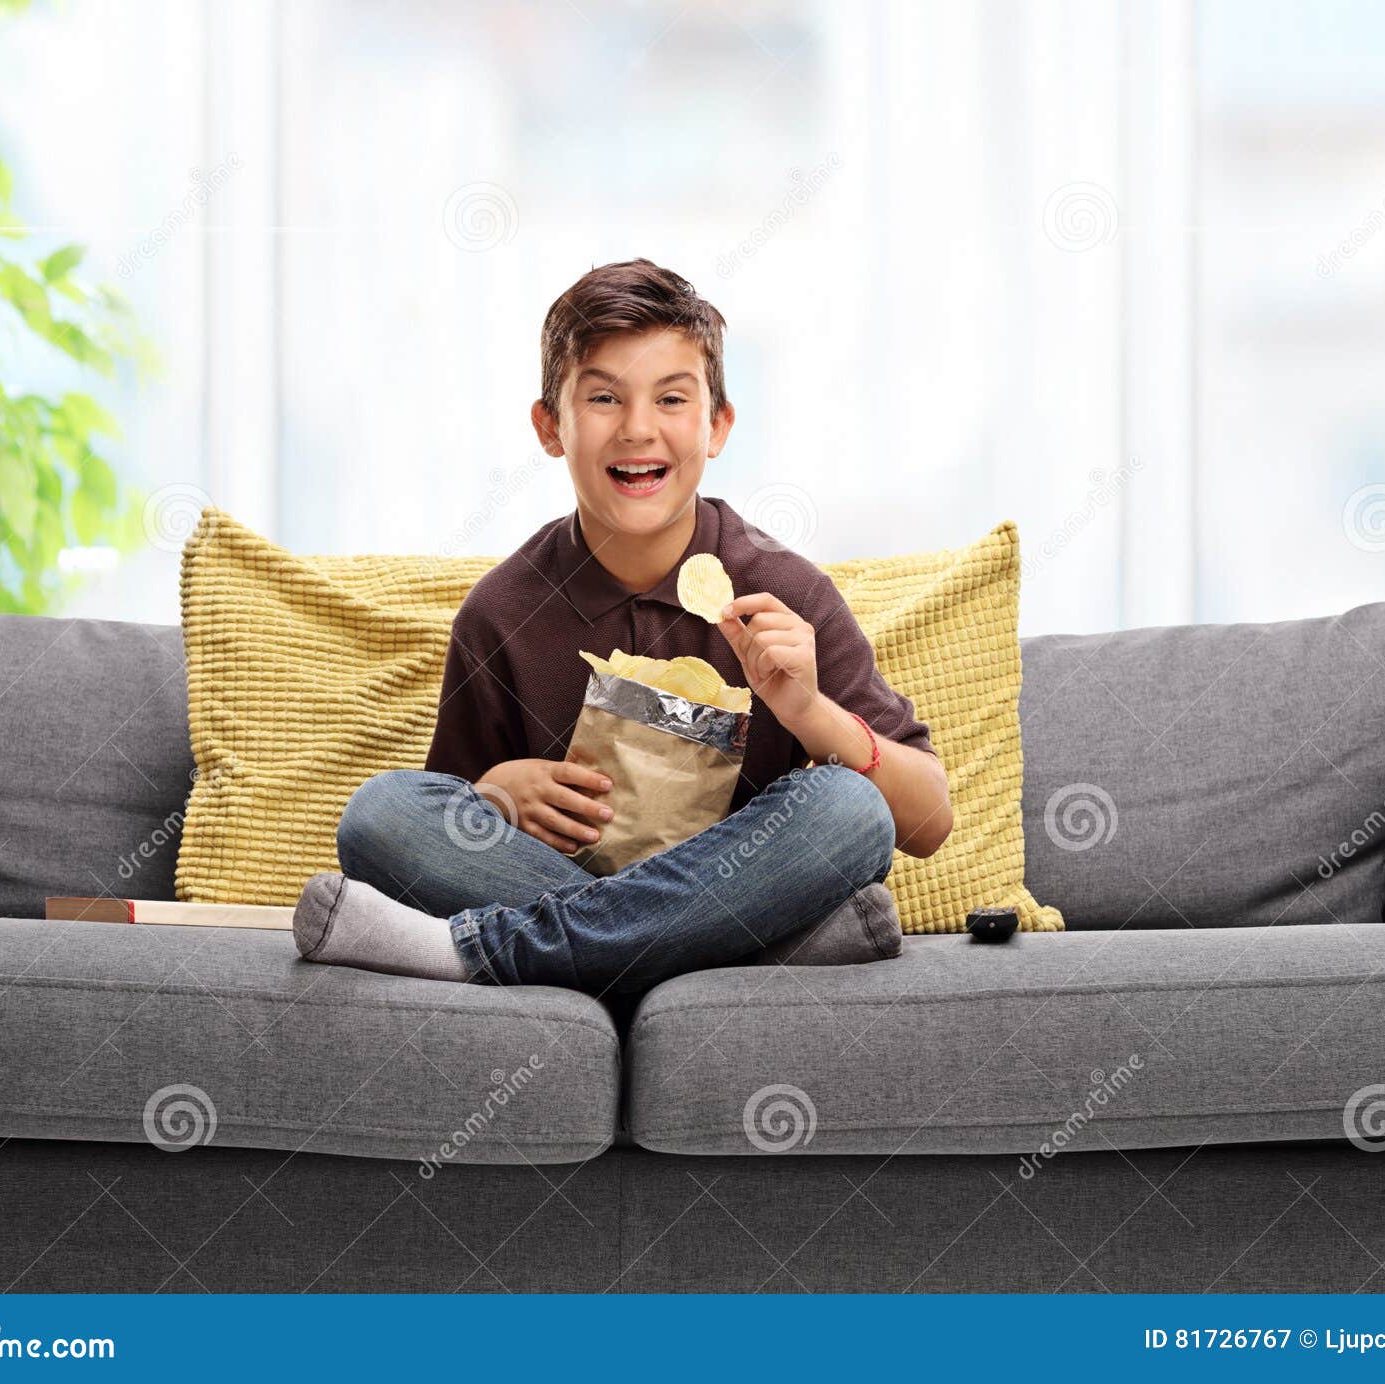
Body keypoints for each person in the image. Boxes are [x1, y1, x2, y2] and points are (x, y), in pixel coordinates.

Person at [293, 257, 952, 997]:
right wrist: (494, 797)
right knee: (378, 816)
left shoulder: (783, 590)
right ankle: (751, 951)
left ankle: (485, 953)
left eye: (672, 399)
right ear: (551, 426)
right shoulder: (502, 612)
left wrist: (807, 710)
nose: (639, 429)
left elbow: (927, 820)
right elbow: (435, 831)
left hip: (738, 874)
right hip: (630, 893)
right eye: (604, 397)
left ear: (717, 425)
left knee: (848, 811)